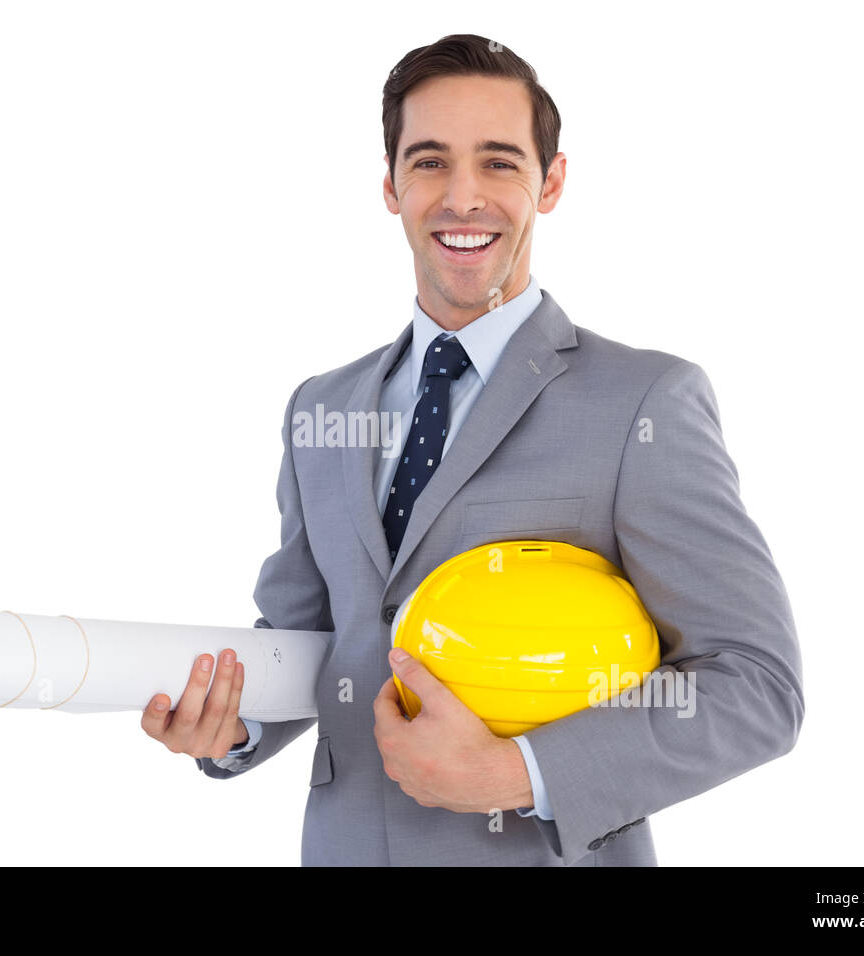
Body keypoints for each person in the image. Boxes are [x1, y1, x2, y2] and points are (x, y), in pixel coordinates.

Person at [140, 33, 803, 866]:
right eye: (428, 162)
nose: (462, 197)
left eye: (498, 162)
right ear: (390, 186)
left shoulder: (643, 402)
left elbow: (756, 686)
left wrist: (518, 773)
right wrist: (229, 726)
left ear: (550, 181)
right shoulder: (321, 407)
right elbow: (312, 641)